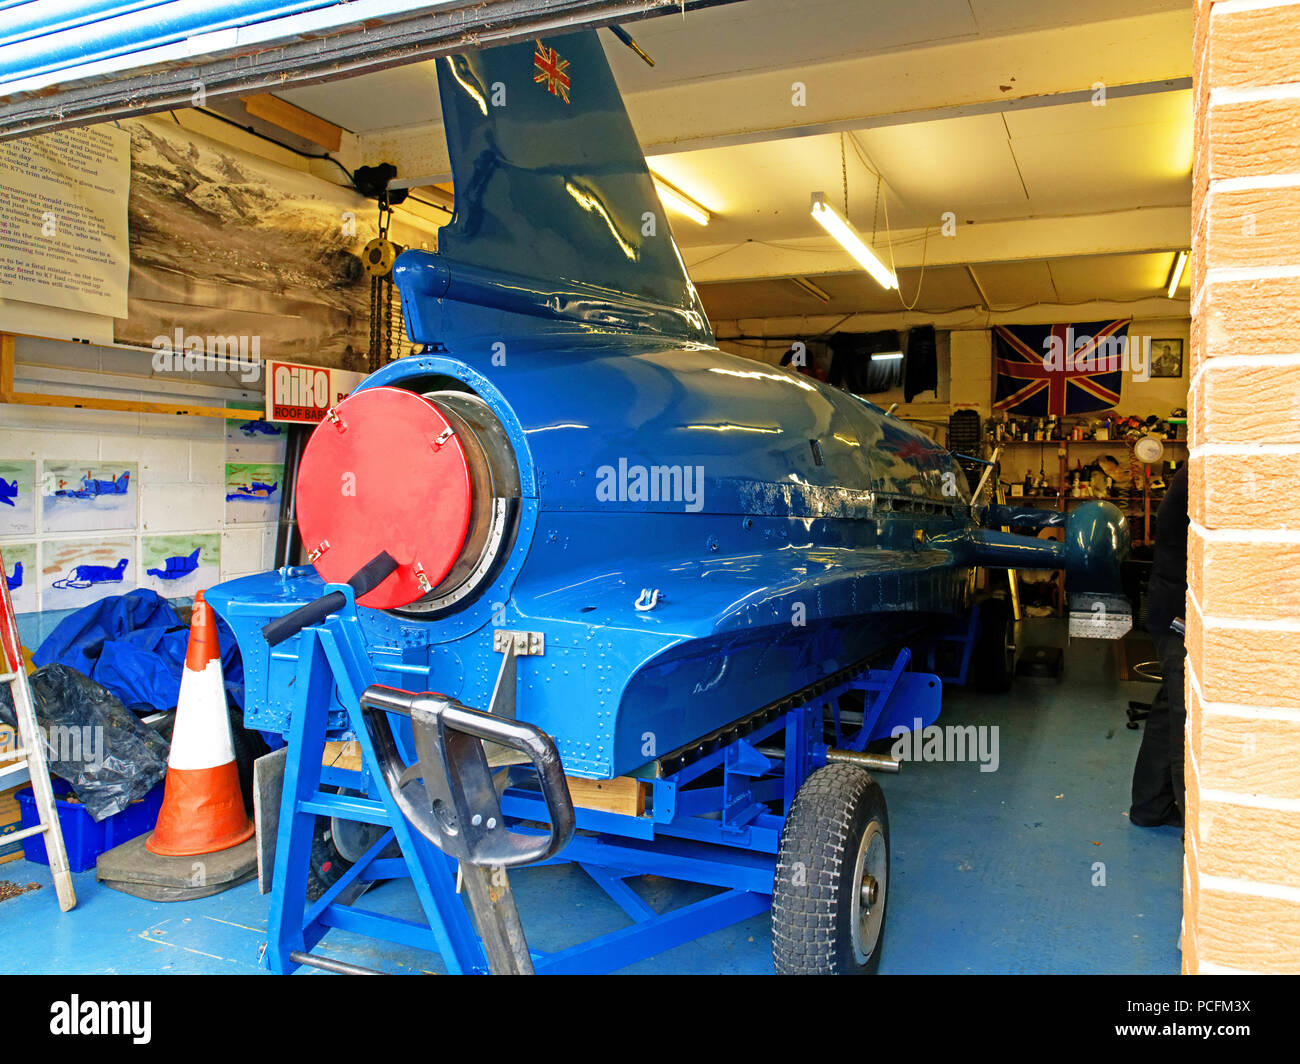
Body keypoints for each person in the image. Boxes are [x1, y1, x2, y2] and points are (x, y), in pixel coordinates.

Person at [1130, 462, 1189, 828]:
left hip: (1174, 607)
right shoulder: (1206, 469)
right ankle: (1197, 832)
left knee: (1172, 708)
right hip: (1181, 612)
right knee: (1186, 716)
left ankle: (1151, 807)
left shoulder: (1192, 467)